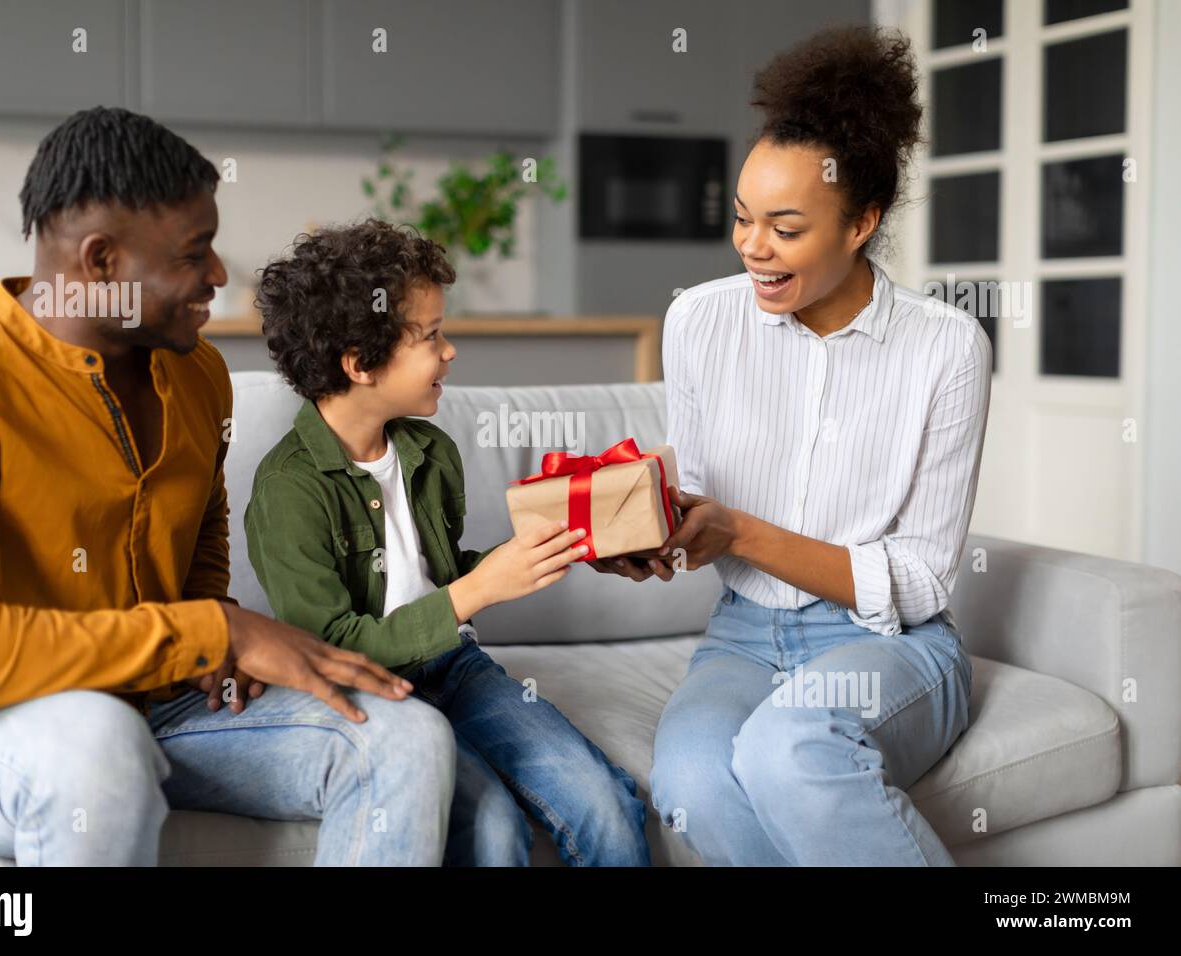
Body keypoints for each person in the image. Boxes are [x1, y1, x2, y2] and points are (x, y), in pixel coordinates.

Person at [0, 107, 457, 866]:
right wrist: (214, 632)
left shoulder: (196, 373)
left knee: (407, 734)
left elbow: (203, 520)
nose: (220, 275)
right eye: (196, 252)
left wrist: (215, 625)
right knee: (97, 741)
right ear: (101, 262)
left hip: (163, 701)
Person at [592, 26, 991, 866]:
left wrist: (737, 531)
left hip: (890, 642)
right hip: (743, 636)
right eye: (741, 219)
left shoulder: (945, 347)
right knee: (694, 787)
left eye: (785, 227)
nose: (751, 248)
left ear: (862, 223)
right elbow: (702, 487)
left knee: (790, 751)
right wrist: (654, 531)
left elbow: (917, 581)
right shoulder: (699, 319)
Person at [245, 219, 651, 866]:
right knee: (491, 835)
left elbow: (442, 575)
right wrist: (473, 591)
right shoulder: (289, 490)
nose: (450, 351)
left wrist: (562, 545)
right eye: (431, 337)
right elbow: (328, 647)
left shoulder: (428, 450)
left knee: (601, 799)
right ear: (360, 364)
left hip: (455, 669)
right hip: (372, 693)